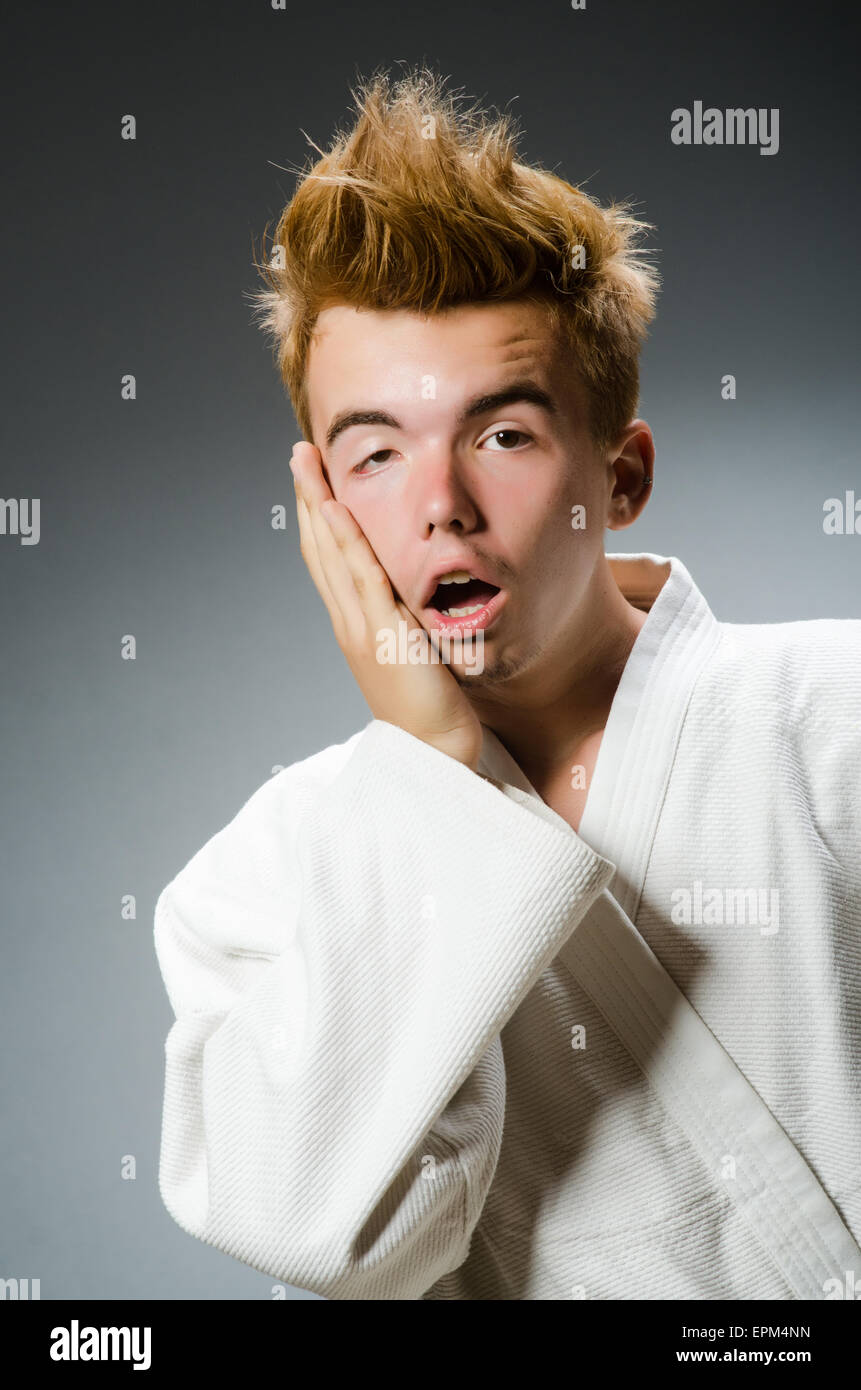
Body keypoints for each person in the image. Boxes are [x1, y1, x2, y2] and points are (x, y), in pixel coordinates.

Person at [153, 66, 861, 1300]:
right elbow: (346, 1245)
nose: (440, 507)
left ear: (621, 473)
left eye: (503, 434)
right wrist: (434, 773)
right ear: (320, 502)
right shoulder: (264, 876)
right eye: (374, 453)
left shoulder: (839, 712)